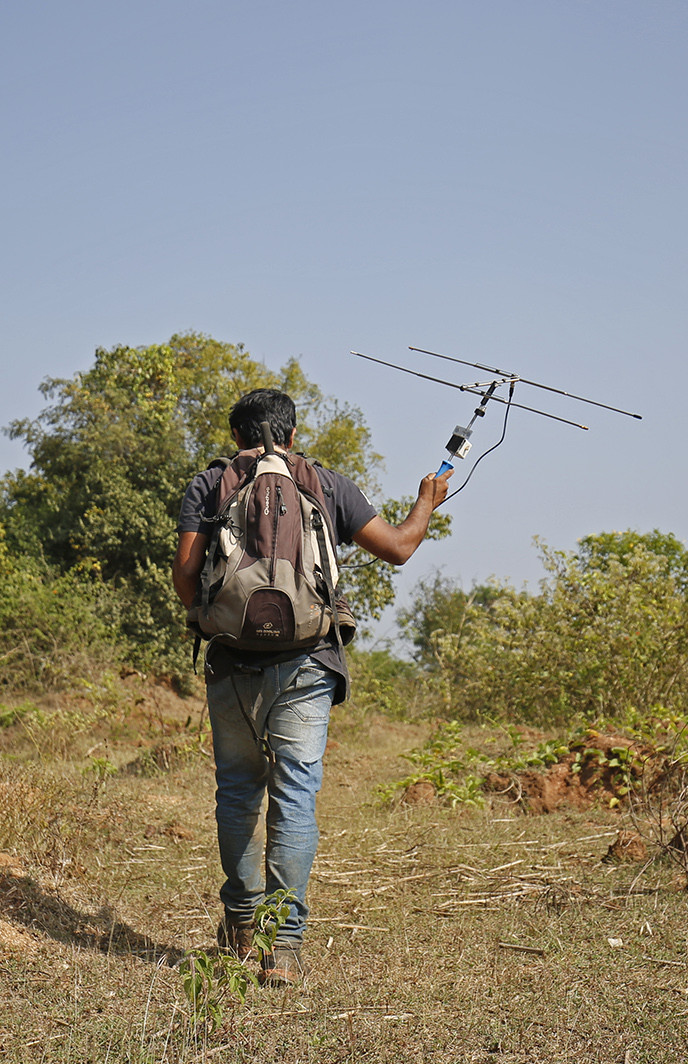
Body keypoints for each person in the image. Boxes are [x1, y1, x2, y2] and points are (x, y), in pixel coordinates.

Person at [172, 387, 450, 987]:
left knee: (239, 792)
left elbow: (185, 581)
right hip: (307, 664)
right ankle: (285, 948)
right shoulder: (325, 484)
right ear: (292, 435)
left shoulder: (210, 484)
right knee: (295, 797)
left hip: (231, 663)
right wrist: (428, 501)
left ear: (238, 436)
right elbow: (399, 549)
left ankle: (243, 926)